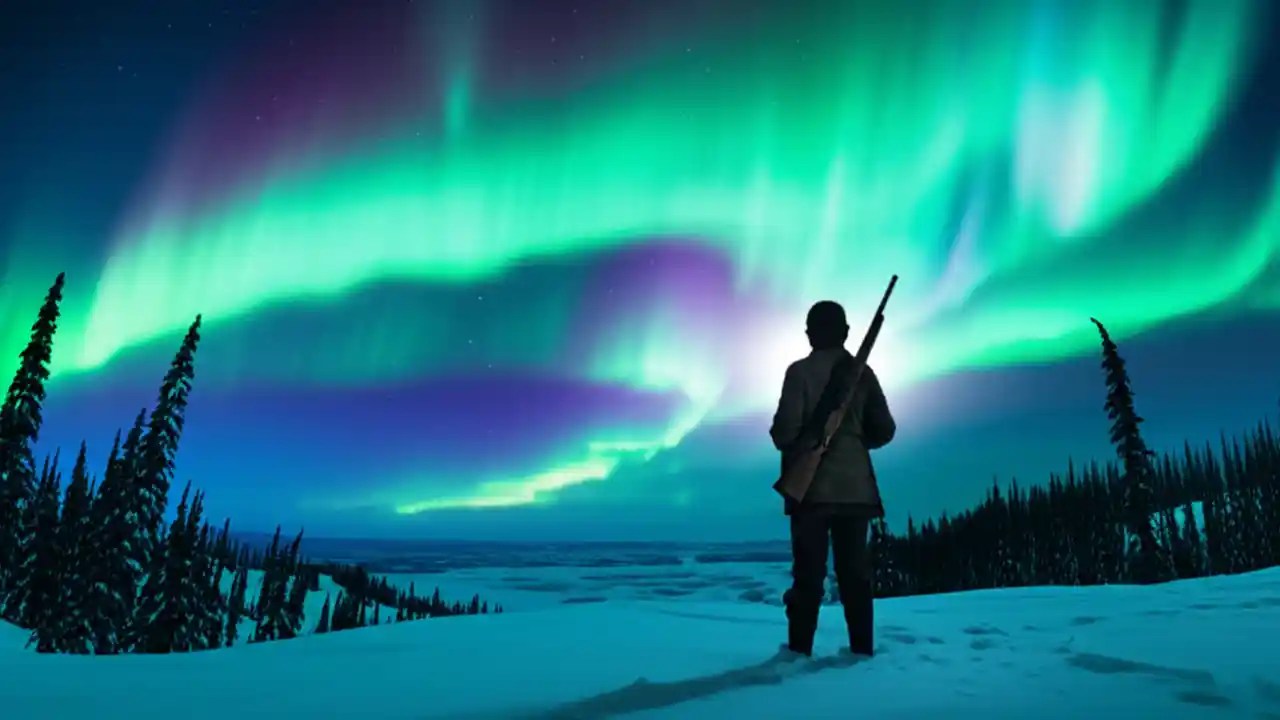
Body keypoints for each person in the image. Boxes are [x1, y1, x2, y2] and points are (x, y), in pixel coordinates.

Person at [769, 299, 896, 658]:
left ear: (811, 333)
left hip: (810, 493)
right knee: (855, 576)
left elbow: (783, 434)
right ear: (844, 333)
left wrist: (813, 445)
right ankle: (861, 652)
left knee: (808, 576)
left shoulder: (798, 373)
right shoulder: (863, 374)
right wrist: (854, 444)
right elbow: (884, 430)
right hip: (856, 494)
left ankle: (798, 654)